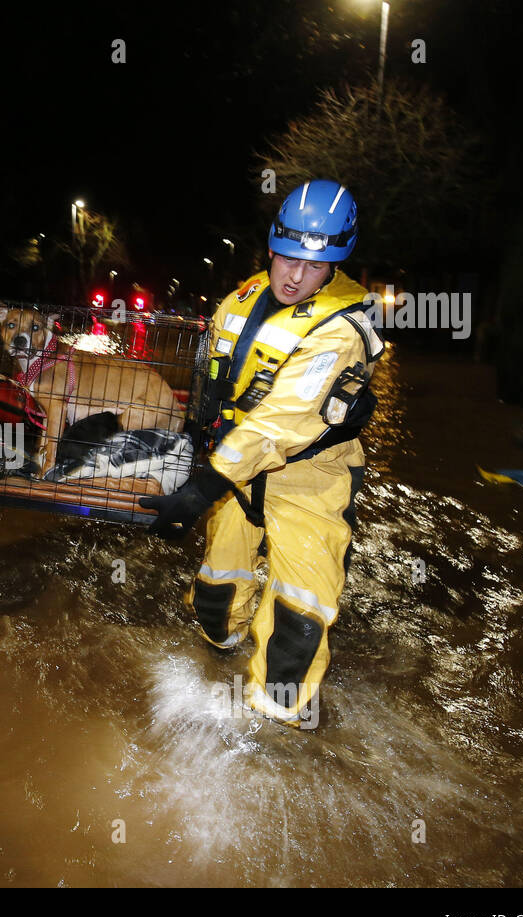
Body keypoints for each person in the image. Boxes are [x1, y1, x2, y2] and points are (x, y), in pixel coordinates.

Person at [140, 180, 384, 726]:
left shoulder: (341, 327)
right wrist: (196, 442)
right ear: (271, 247)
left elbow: (284, 421)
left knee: (300, 613)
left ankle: (276, 729)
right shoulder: (243, 297)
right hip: (237, 469)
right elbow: (213, 378)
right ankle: (220, 645)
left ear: (338, 265)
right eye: (288, 257)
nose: (295, 276)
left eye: (315, 266)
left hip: (309, 477)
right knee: (215, 594)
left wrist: (203, 487)